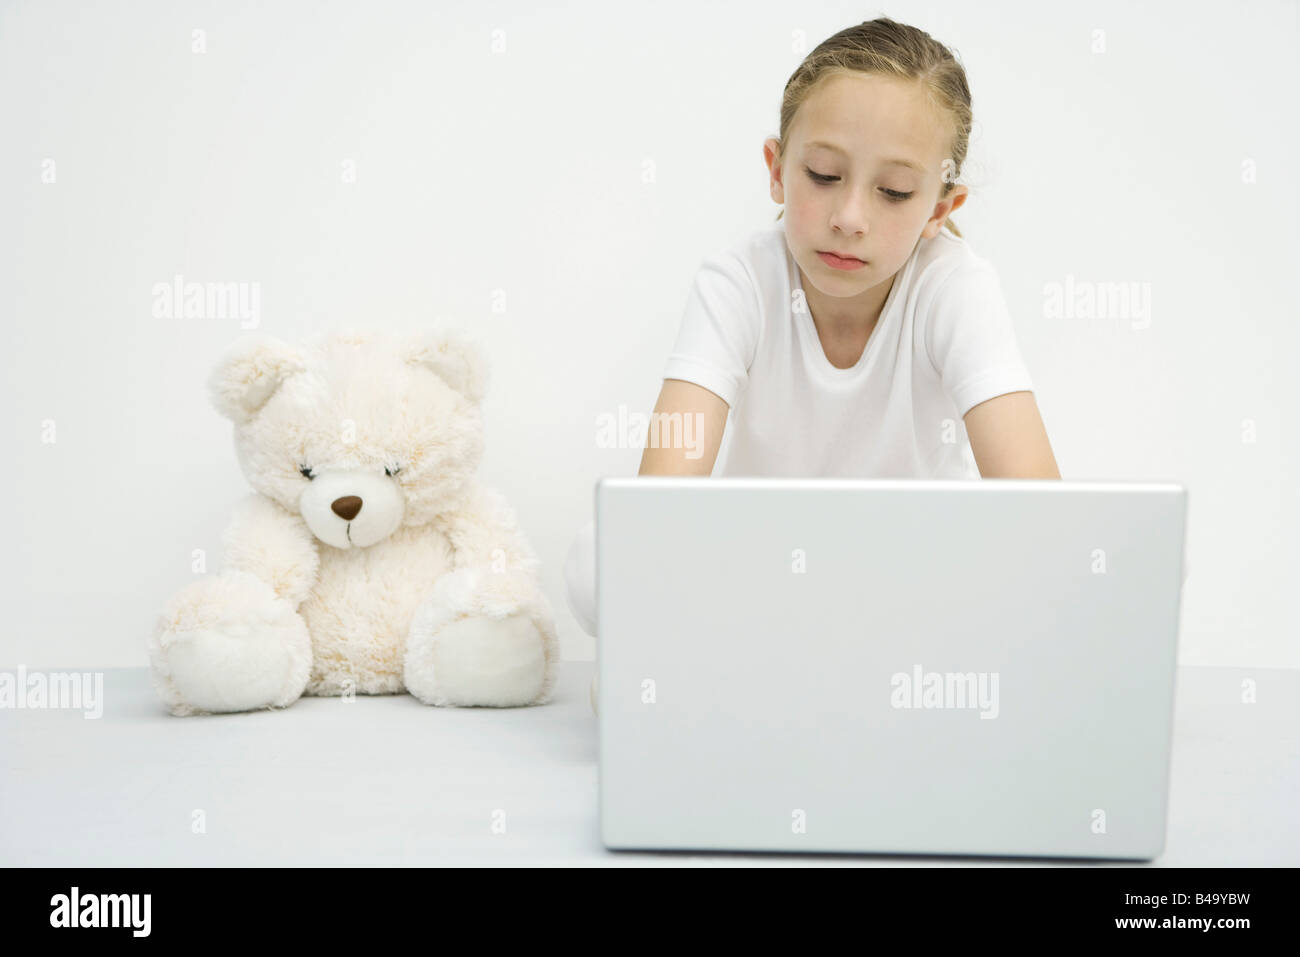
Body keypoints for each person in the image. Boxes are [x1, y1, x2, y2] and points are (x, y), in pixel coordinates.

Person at [568, 17, 1061, 714]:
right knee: (600, 555)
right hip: (762, 589)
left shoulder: (955, 288)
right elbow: (657, 504)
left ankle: (775, 679)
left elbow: (1042, 510)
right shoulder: (737, 282)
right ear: (776, 168)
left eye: (893, 191)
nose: (850, 216)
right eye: (824, 175)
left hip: (908, 593)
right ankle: (759, 674)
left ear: (939, 207)